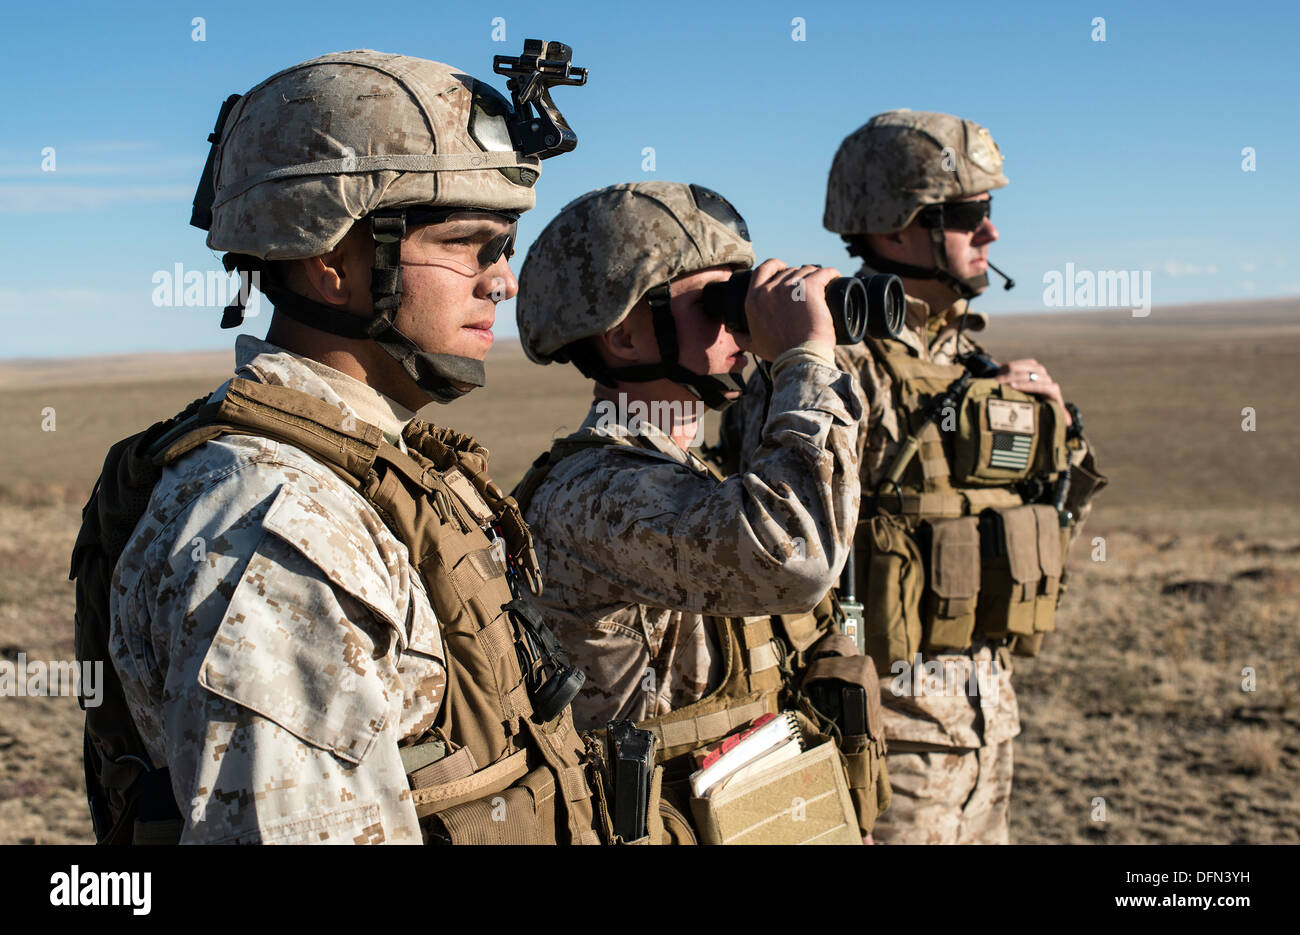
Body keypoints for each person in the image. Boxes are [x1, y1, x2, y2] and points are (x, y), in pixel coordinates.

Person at [70, 48, 608, 845]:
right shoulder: (279, 527)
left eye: (506, 247)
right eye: (470, 244)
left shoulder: (364, 470)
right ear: (331, 260)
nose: (503, 281)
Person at [722, 110, 1107, 844]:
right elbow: (762, 568)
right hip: (878, 747)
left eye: (988, 212)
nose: (990, 232)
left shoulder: (979, 371)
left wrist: (1060, 437)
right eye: (968, 215)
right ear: (896, 230)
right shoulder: (825, 368)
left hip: (987, 729)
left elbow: (1048, 540)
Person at [512, 181, 888, 842]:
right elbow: (796, 558)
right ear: (626, 334)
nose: (738, 320)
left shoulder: (695, 474)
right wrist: (804, 357)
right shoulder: (593, 492)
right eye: (717, 301)